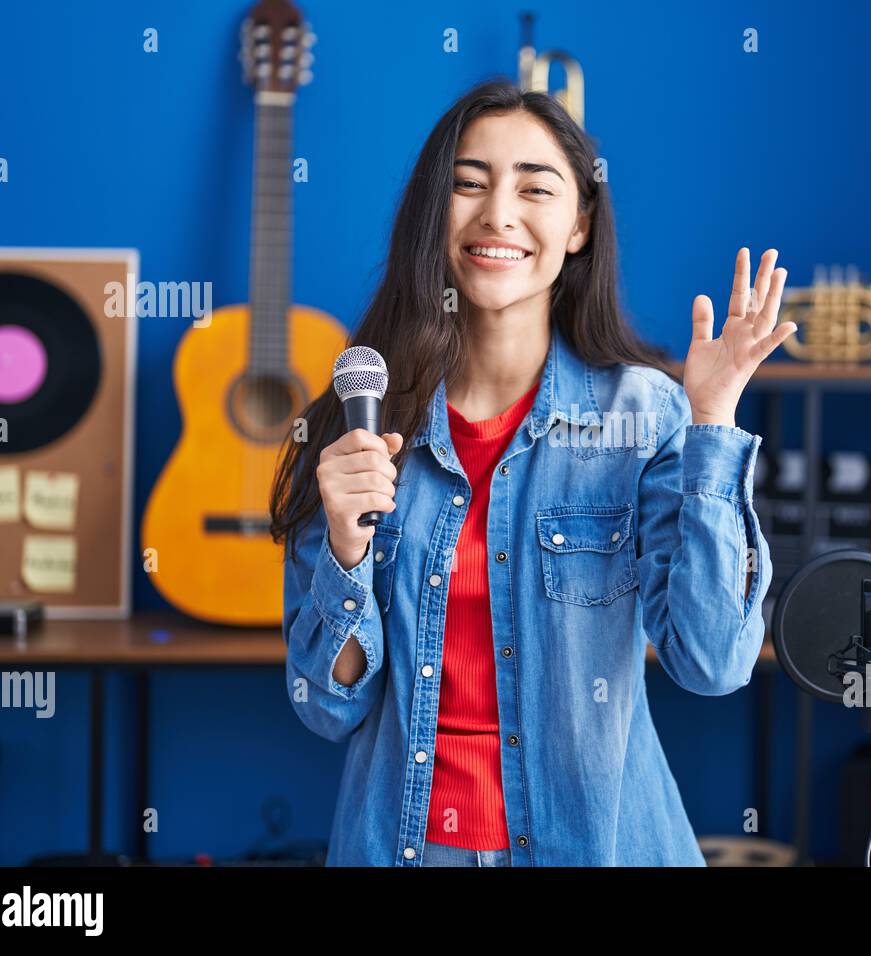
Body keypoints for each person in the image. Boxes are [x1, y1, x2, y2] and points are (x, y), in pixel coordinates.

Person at [270, 78, 795, 866]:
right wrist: (346, 551)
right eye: (468, 184)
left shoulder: (643, 415)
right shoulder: (362, 422)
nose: (497, 216)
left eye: (535, 187)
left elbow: (715, 660)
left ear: (580, 225)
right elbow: (328, 708)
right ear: (431, 216)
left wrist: (712, 424)